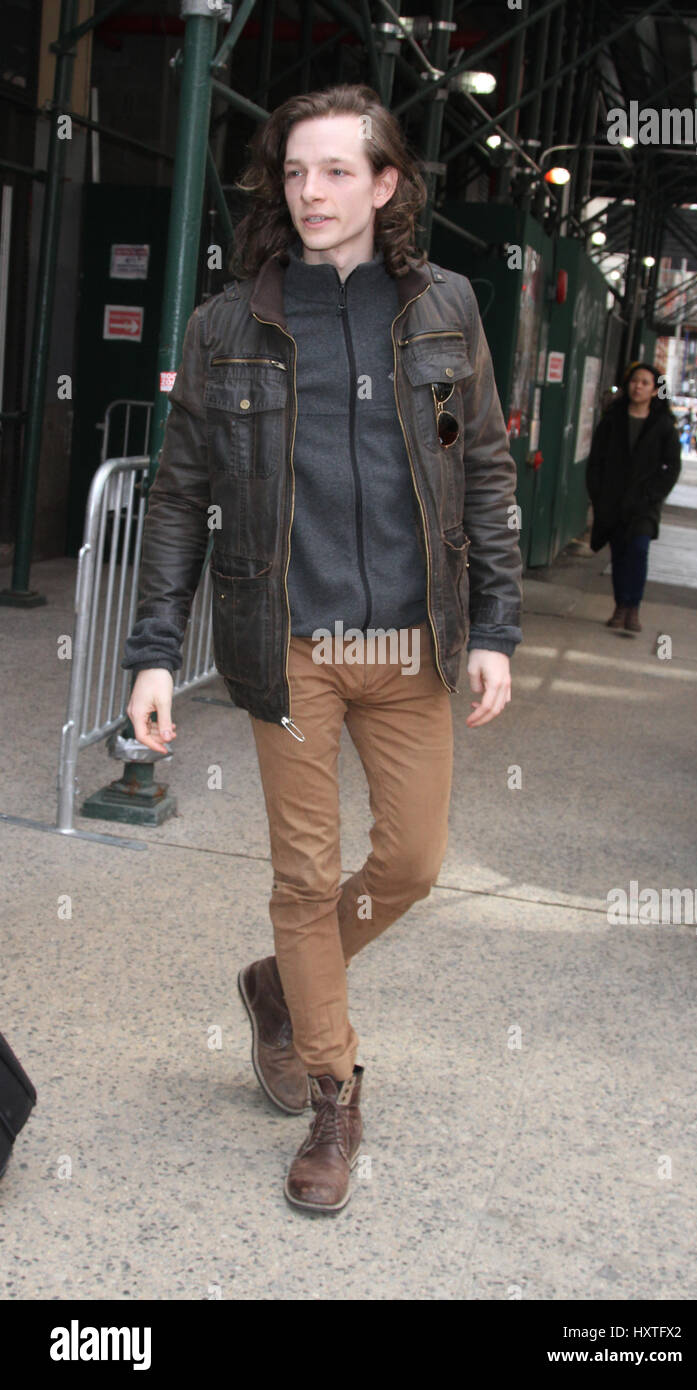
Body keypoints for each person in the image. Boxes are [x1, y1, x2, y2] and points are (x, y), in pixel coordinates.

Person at [121, 83, 523, 1215]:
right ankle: (335, 1095)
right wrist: (155, 649)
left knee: (412, 865)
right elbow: (176, 495)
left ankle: (280, 987)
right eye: (296, 172)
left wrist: (495, 624)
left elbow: (484, 468)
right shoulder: (226, 325)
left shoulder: (445, 309)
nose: (312, 193)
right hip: (287, 643)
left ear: (386, 184)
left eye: (338, 171)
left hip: (411, 644)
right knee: (304, 875)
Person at [586, 362, 681, 633]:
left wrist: (654, 494)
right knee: (619, 555)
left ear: (654, 390)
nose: (637, 386)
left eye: (645, 383)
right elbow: (596, 461)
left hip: (644, 505)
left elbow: (672, 466)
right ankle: (619, 606)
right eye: (634, 381)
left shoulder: (663, 425)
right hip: (614, 502)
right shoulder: (613, 419)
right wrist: (598, 495)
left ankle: (633, 607)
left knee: (638, 551)